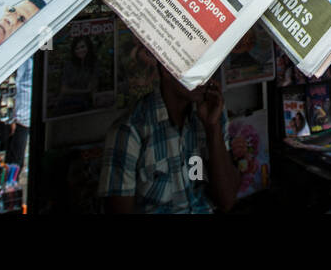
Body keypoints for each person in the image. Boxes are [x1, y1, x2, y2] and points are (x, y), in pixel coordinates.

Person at [100, 61, 239, 214]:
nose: (205, 76)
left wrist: (212, 128)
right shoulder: (129, 131)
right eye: (195, 65)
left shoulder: (211, 113)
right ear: (167, 69)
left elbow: (227, 200)